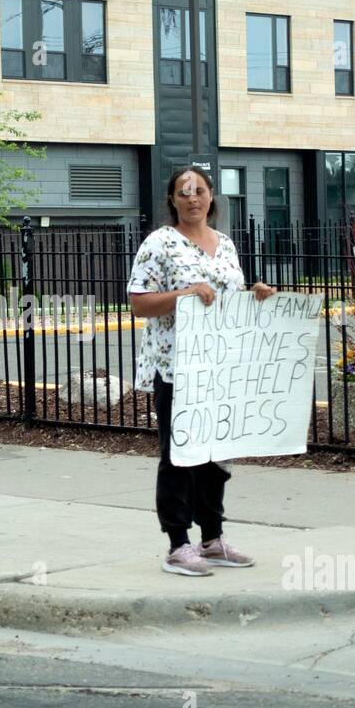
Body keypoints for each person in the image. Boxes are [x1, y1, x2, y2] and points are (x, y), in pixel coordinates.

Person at [127, 166, 277, 576]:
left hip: (221, 368)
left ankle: (212, 538)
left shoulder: (225, 245)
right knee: (179, 455)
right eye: (183, 192)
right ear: (172, 200)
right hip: (176, 367)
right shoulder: (159, 244)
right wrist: (183, 295)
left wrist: (256, 294)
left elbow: (228, 302)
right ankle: (178, 544)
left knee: (216, 455)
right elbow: (138, 302)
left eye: (200, 191)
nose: (192, 199)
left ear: (212, 197)